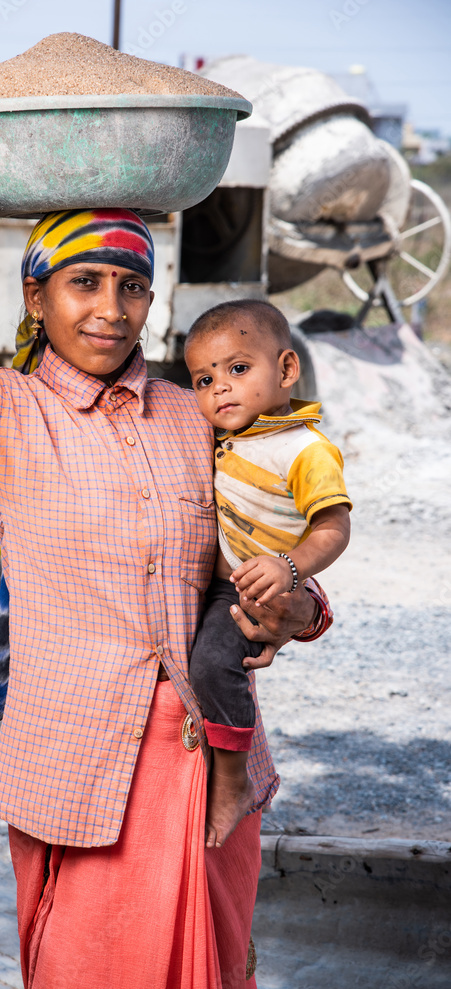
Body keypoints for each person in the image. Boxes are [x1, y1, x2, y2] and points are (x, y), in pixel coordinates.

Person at [0, 88, 335, 989]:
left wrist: (299, 605)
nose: (111, 310)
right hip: (73, 766)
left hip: (207, 764)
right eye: (83, 283)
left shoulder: (196, 417)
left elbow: (266, 540)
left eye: (131, 286)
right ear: (35, 295)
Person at [184, 301, 352, 848]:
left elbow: (334, 527)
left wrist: (290, 566)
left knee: (213, 664)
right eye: (204, 379)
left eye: (238, 369)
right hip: (213, 582)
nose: (220, 388)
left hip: (253, 590)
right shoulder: (221, 434)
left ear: (286, 369)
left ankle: (233, 779)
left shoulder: (305, 449)